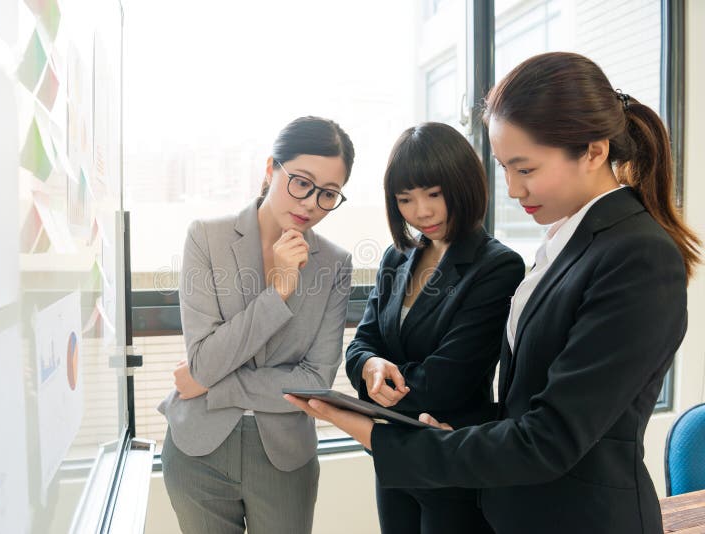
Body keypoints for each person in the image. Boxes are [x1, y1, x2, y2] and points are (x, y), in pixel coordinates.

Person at [286, 52, 701, 534]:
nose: (512, 189)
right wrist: (457, 434)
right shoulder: (567, 243)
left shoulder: (636, 256)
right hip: (518, 506)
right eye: (505, 168)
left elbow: (550, 437)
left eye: (525, 169)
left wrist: (382, 437)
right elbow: (525, 405)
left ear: (592, 150)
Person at [159, 116, 355, 534]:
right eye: (301, 182)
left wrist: (214, 385)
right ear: (271, 169)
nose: (309, 203)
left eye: (328, 194)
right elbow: (204, 359)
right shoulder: (206, 238)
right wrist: (278, 292)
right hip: (198, 450)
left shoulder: (335, 264)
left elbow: (314, 381)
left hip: (284, 457)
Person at [344, 122, 524, 533]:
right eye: (405, 199)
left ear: (461, 185)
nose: (420, 212)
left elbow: (449, 381)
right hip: (394, 457)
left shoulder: (497, 266)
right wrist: (371, 366)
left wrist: (377, 391)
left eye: (433, 194)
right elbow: (361, 345)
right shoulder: (397, 257)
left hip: (451, 457)